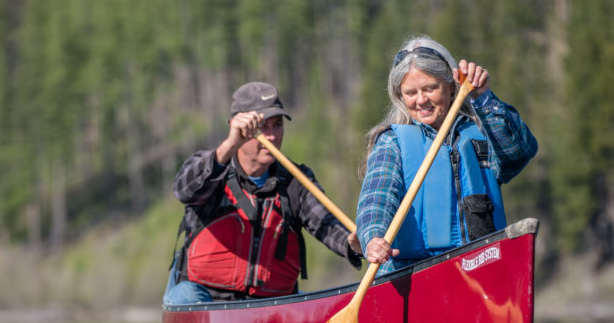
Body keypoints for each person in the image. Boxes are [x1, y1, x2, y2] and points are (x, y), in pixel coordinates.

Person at [164, 81, 362, 304]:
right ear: (236, 127)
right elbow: (184, 191)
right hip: (206, 299)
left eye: (277, 125)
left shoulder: (296, 181)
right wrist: (230, 145)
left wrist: (352, 243)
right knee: (185, 295)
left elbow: (326, 223)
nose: (272, 136)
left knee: (306, 303)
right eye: (262, 127)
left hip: (269, 305)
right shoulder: (212, 167)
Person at [355, 35, 538, 273]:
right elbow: (377, 198)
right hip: (414, 270)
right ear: (400, 96)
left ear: (451, 86)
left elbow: (519, 153)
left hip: (483, 263)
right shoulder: (392, 142)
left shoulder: (482, 130)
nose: (421, 100)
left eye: (430, 88)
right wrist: (373, 238)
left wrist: (483, 98)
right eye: (411, 93)